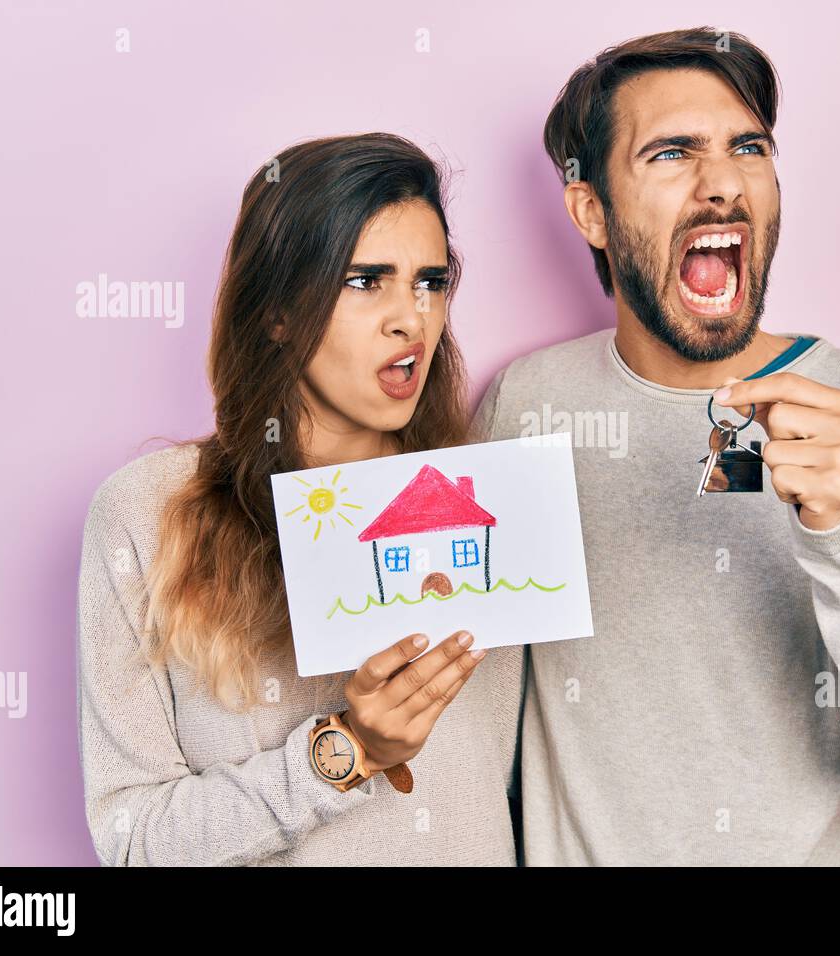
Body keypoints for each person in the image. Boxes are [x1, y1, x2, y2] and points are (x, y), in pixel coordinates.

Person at [473, 28, 840, 865]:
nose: (723, 182)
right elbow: (478, 730)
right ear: (591, 210)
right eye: (671, 153)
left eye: (748, 147)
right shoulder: (528, 406)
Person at [76, 134, 522, 866]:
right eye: (365, 280)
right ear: (279, 311)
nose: (412, 318)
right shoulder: (146, 514)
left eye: (430, 282)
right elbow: (131, 839)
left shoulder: (485, 505)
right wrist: (344, 752)